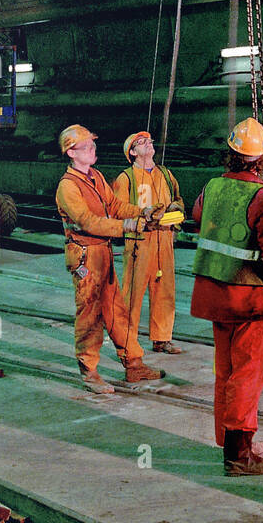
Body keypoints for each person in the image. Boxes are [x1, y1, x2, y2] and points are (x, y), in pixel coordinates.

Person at [189, 117, 263, 476]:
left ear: (231, 155)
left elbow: (199, 217)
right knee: (247, 373)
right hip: (250, 300)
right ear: (262, 160)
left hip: (215, 295)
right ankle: (239, 455)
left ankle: (230, 441)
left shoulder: (212, 187)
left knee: (225, 371)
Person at [54, 124, 165, 394]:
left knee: (117, 311)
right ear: (71, 152)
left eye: (93, 146)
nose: (93, 150)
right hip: (86, 256)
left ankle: (134, 365)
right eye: (87, 147)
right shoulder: (68, 187)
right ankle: (89, 371)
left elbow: (115, 207)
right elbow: (88, 221)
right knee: (90, 314)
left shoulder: (95, 176)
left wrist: (144, 212)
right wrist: (126, 227)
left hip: (103, 252)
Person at [113, 131, 185, 356]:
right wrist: (143, 221)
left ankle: (162, 339)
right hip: (139, 243)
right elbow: (119, 210)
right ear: (132, 153)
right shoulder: (126, 178)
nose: (147, 144)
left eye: (148, 141)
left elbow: (178, 200)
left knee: (165, 291)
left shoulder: (165, 173)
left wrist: (175, 211)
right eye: (140, 143)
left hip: (164, 239)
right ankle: (127, 340)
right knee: (132, 294)